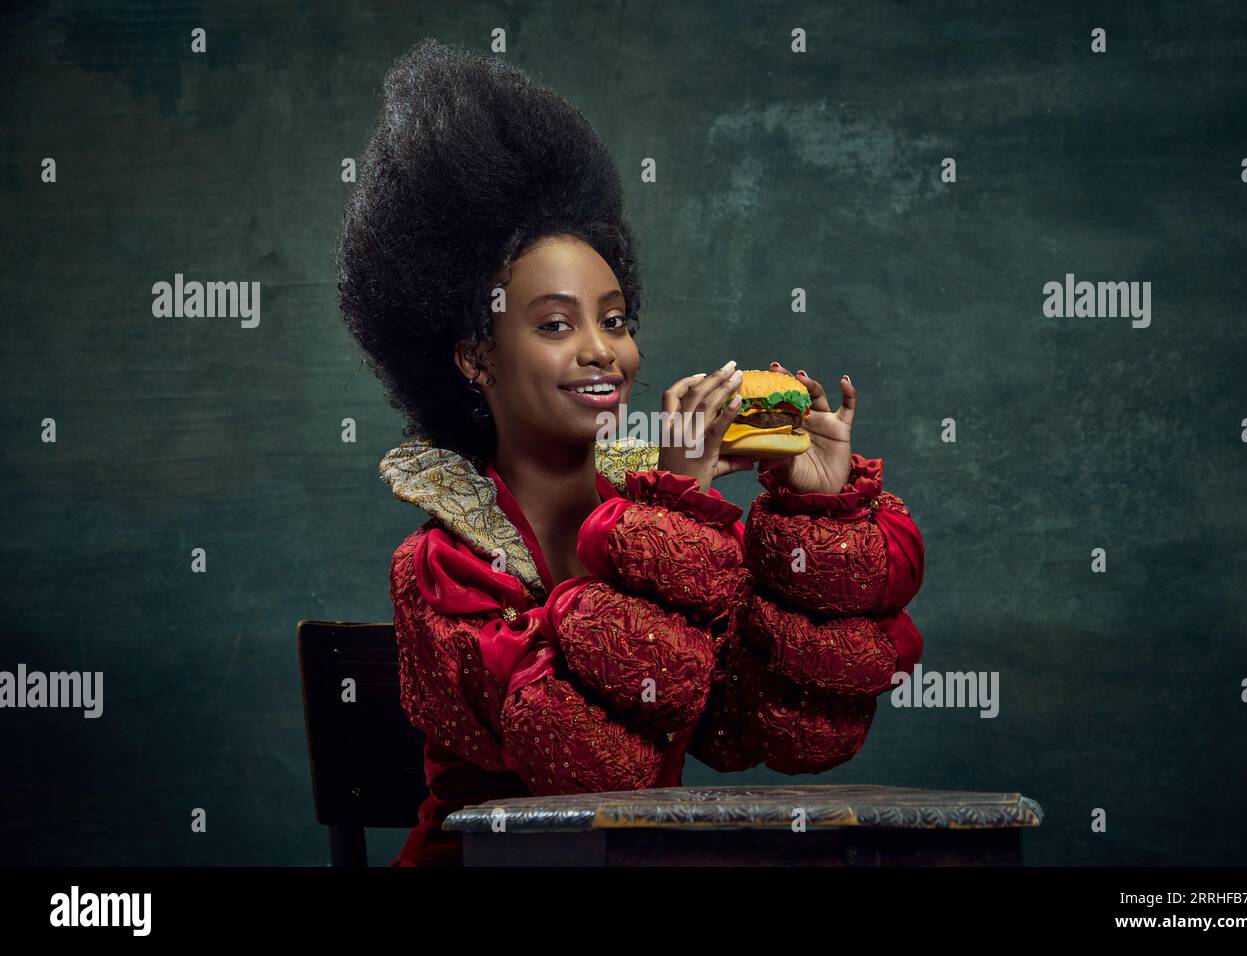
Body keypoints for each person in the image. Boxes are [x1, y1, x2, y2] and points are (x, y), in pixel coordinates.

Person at [337, 38, 925, 867]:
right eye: (554, 324)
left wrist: (811, 512)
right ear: (474, 355)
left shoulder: (667, 509)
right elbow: (573, 761)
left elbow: (771, 733)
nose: (602, 352)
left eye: (614, 320)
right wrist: (675, 509)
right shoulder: (437, 567)